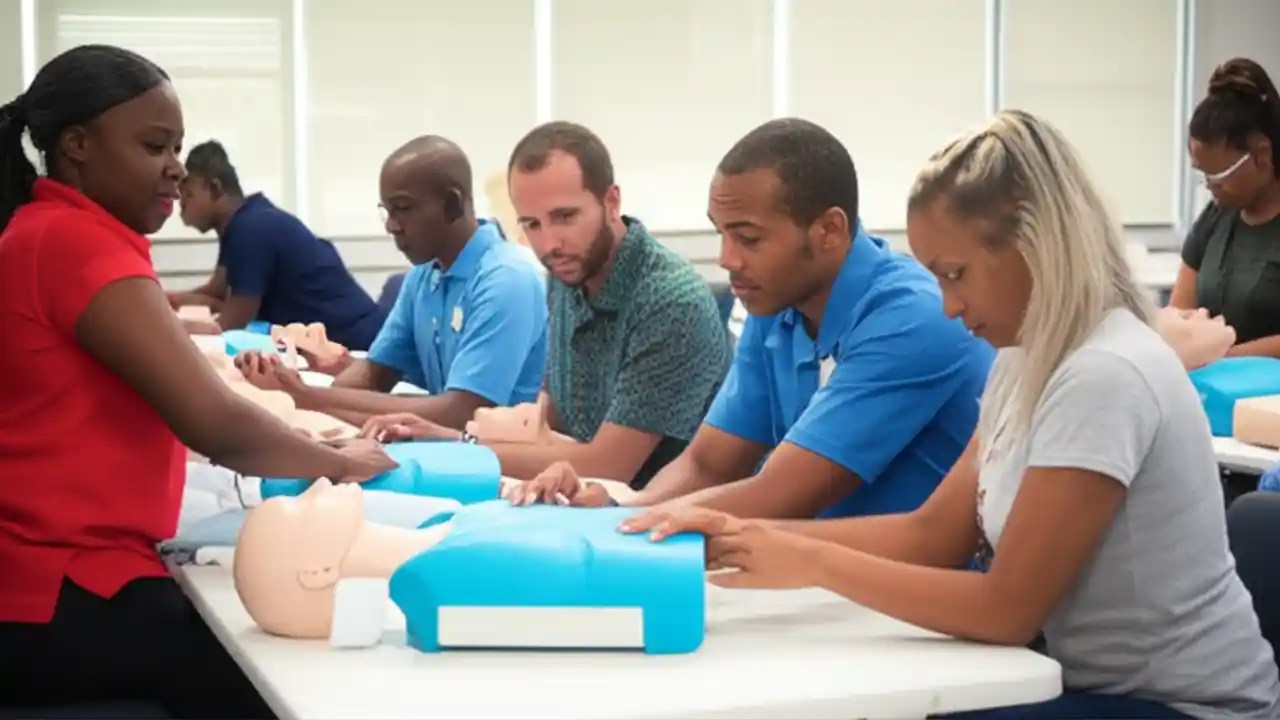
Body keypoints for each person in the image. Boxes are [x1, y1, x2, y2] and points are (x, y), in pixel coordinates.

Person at [620, 110, 1280, 719]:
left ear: (1035, 245)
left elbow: (1006, 611)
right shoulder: (1025, 358)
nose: (947, 305)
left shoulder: (1104, 373)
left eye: (956, 274)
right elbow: (933, 534)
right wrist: (742, 538)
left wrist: (805, 556)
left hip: (1183, 707)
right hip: (1086, 685)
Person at [0, 44, 396, 718]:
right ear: (77, 145)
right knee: (280, 675)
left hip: (48, 578)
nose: (177, 168)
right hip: (58, 588)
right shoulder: (72, 242)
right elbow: (215, 423)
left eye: (178, 147)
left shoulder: (58, 232)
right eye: (155, 146)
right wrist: (339, 462)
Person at [509, 118, 993, 521]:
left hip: (911, 593)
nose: (727, 259)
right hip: (819, 577)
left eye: (749, 238)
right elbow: (707, 464)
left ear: (829, 230)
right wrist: (616, 502)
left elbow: (783, 493)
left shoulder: (913, 316)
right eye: (722, 234)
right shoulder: (776, 302)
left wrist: (627, 519)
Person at [363, 122, 732, 488]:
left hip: (664, 511)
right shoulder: (569, 270)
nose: (549, 244)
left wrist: (456, 444)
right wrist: (446, 435)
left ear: (611, 202)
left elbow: (608, 466)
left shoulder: (669, 301)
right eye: (532, 224)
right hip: (578, 496)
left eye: (565, 217)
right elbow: (556, 421)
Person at [239, 136, 548, 432]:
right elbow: (374, 374)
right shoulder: (424, 275)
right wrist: (289, 391)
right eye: (387, 212)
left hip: (501, 458)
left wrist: (308, 398)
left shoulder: (506, 279)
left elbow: (463, 412)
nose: (391, 225)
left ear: (452, 204)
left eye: (403, 208)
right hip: (448, 444)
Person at [173, 139, 388, 351]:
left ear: (215, 188)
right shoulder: (247, 220)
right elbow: (217, 292)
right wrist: (165, 300)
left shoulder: (250, 229)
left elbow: (231, 323)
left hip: (361, 345)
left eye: (187, 197)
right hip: (352, 338)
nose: (181, 209)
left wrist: (172, 330)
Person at [1171, 58, 1280, 358]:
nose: (1209, 186)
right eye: (1203, 174)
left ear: (1261, 156)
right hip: (1210, 381)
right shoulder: (1216, 216)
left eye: (1218, 177)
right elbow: (1179, 314)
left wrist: (1220, 356)